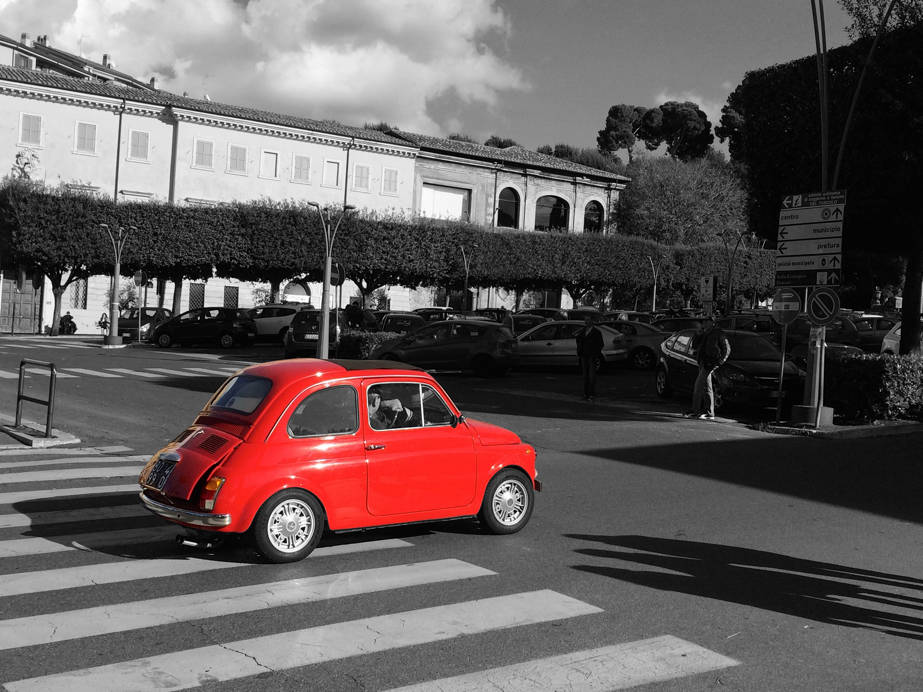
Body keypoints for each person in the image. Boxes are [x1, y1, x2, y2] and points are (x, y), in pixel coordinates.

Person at [691, 323, 731, 420]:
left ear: (712, 323)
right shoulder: (704, 333)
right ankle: (709, 413)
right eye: (703, 321)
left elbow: (727, 349)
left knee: (698, 386)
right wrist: (698, 334)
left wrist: (719, 361)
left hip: (710, 363)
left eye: (707, 321)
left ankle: (696, 411)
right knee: (706, 387)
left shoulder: (718, 333)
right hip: (702, 362)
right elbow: (694, 346)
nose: (705, 324)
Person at [575, 314, 604, 401]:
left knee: (591, 376)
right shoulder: (583, 331)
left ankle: (591, 394)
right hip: (584, 355)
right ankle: (585, 393)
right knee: (585, 376)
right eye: (585, 320)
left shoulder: (596, 332)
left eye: (588, 320)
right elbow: (578, 339)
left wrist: (594, 353)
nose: (586, 322)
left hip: (591, 356)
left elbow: (600, 344)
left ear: (592, 321)